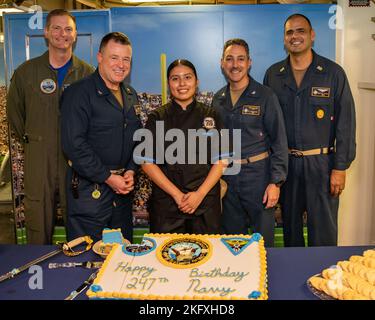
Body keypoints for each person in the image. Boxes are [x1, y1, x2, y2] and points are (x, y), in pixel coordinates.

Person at [263, 14, 356, 246]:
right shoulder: (274, 75)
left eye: (300, 31)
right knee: (291, 233)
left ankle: (325, 280)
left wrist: (340, 168)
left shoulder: (333, 73)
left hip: (322, 167)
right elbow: (267, 127)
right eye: (289, 33)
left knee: (323, 233)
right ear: (284, 39)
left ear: (312, 35)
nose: (295, 36)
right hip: (288, 167)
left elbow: (346, 123)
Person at [6, 9, 94, 244]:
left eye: (68, 29)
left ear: (75, 35)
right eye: (56, 28)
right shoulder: (26, 73)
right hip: (39, 157)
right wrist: (38, 139)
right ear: (46, 32)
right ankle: (39, 276)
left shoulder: (88, 75)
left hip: (75, 160)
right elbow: (16, 117)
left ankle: (80, 272)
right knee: (37, 219)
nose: (62, 34)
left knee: (78, 219)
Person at [60, 32, 141, 242]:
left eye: (126, 59)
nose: (120, 65)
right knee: (85, 258)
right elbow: (74, 145)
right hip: (90, 194)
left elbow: (138, 138)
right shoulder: (78, 94)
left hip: (122, 193)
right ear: (99, 57)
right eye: (114, 57)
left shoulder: (130, 94)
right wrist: (108, 177)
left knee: (121, 260)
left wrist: (132, 169)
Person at [212, 39, 288, 247]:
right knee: (232, 243)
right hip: (228, 177)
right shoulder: (218, 99)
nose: (235, 64)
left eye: (240, 59)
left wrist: (276, 182)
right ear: (222, 63)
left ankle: (267, 280)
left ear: (249, 62)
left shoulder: (265, 96)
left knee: (263, 244)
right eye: (229, 59)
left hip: (259, 177)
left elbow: (279, 141)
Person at [139, 59, 226, 234]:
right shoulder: (157, 117)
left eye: (187, 77)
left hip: (205, 205)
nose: (182, 84)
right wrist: (178, 196)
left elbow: (222, 161)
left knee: (207, 258)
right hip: (167, 207)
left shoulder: (211, 115)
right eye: (175, 78)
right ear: (168, 83)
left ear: (197, 81)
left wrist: (199, 195)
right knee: (166, 258)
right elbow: (146, 163)